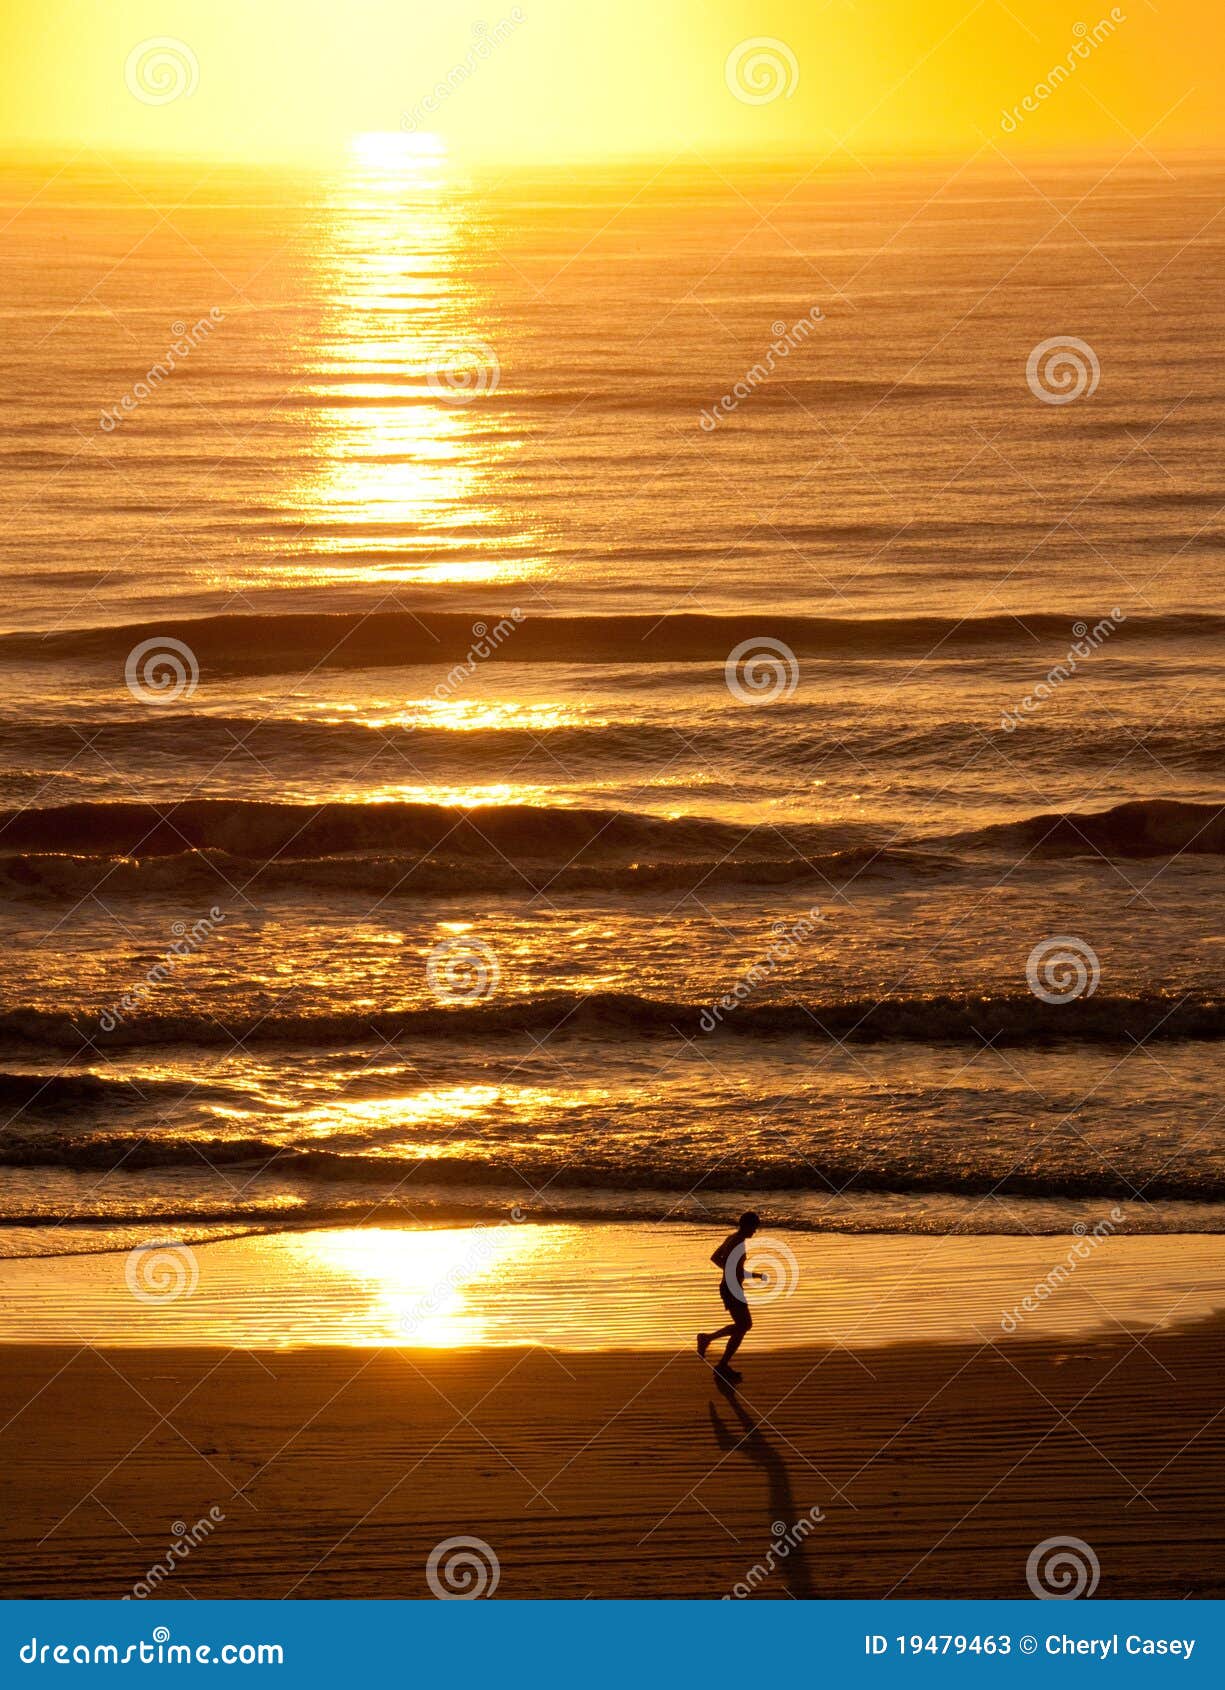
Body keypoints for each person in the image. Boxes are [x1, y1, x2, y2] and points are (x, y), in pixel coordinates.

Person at [697, 1211, 764, 1383]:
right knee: (745, 1325)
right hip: (731, 1288)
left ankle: (722, 1364)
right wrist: (755, 1275)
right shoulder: (738, 1243)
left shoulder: (732, 1238)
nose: (755, 1231)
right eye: (754, 1227)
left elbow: (715, 1258)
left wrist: (730, 1271)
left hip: (729, 1286)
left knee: (743, 1326)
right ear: (747, 1225)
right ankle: (708, 1341)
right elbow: (735, 1269)